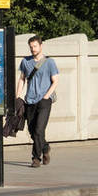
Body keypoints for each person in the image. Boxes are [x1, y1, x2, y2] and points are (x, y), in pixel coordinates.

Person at [16, 35, 59, 167]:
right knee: (32, 131)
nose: (33, 49)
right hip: (30, 100)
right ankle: (45, 148)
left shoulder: (49, 62)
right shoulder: (25, 62)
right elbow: (22, 79)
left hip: (44, 100)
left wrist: (46, 96)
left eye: (35, 46)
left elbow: (55, 81)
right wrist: (18, 96)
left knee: (39, 130)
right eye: (31, 47)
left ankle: (36, 158)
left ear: (41, 46)